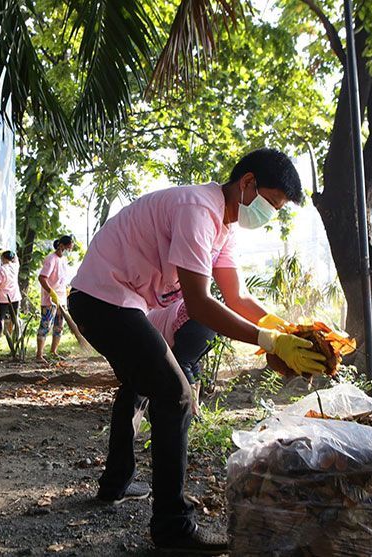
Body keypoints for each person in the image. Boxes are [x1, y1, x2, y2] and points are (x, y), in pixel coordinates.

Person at [68, 148, 324, 553]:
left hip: (125, 301)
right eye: (272, 203)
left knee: (139, 384)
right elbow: (201, 302)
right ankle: (172, 526)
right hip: (103, 300)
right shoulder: (197, 209)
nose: (271, 213)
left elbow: (236, 296)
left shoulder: (224, 225)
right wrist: (269, 342)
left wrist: (285, 327)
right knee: (175, 394)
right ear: (247, 183)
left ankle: (115, 483)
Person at [146, 299, 217, 416]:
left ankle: (192, 410)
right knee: (191, 362)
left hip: (193, 318)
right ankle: (196, 409)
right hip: (213, 319)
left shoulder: (144, 324)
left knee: (183, 363)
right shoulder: (151, 313)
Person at [36, 234, 73, 364]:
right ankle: (39, 355)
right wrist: (51, 292)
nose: (69, 250)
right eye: (68, 247)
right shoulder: (51, 259)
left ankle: (53, 351)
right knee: (45, 326)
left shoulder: (63, 260)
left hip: (61, 298)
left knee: (58, 327)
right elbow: (42, 278)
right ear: (61, 246)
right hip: (50, 300)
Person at [0, 250, 22, 355]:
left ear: (3, 258)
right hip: (15, 296)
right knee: (15, 318)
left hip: (3, 297)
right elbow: (16, 258)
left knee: (0, 318)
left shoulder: (1, 269)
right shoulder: (15, 266)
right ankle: (18, 337)